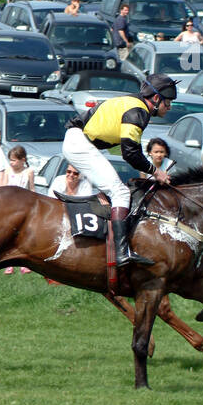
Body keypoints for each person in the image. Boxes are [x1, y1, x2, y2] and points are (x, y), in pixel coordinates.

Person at [63, 74, 175, 267]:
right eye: (168, 102)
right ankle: (121, 252)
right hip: (79, 142)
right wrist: (156, 172)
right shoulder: (138, 111)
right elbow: (131, 154)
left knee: (116, 188)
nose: (170, 107)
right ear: (156, 98)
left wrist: (148, 170)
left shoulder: (133, 103)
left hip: (77, 139)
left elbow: (124, 150)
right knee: (121, 192)